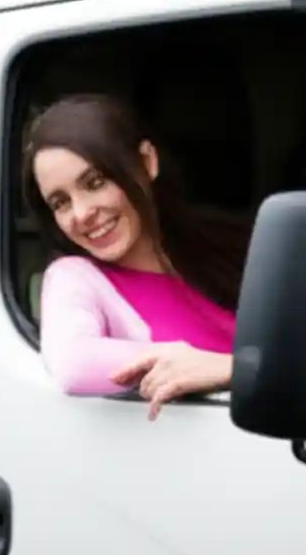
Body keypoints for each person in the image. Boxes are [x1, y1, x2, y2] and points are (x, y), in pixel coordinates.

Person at [21, 93, 252, 420]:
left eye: (95, 182)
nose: (82, 213)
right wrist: (186, 363)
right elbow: (74, 363)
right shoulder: (74, 276)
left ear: (146, 162)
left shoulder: (222, 241)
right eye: (60, 202)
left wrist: (231, 369)